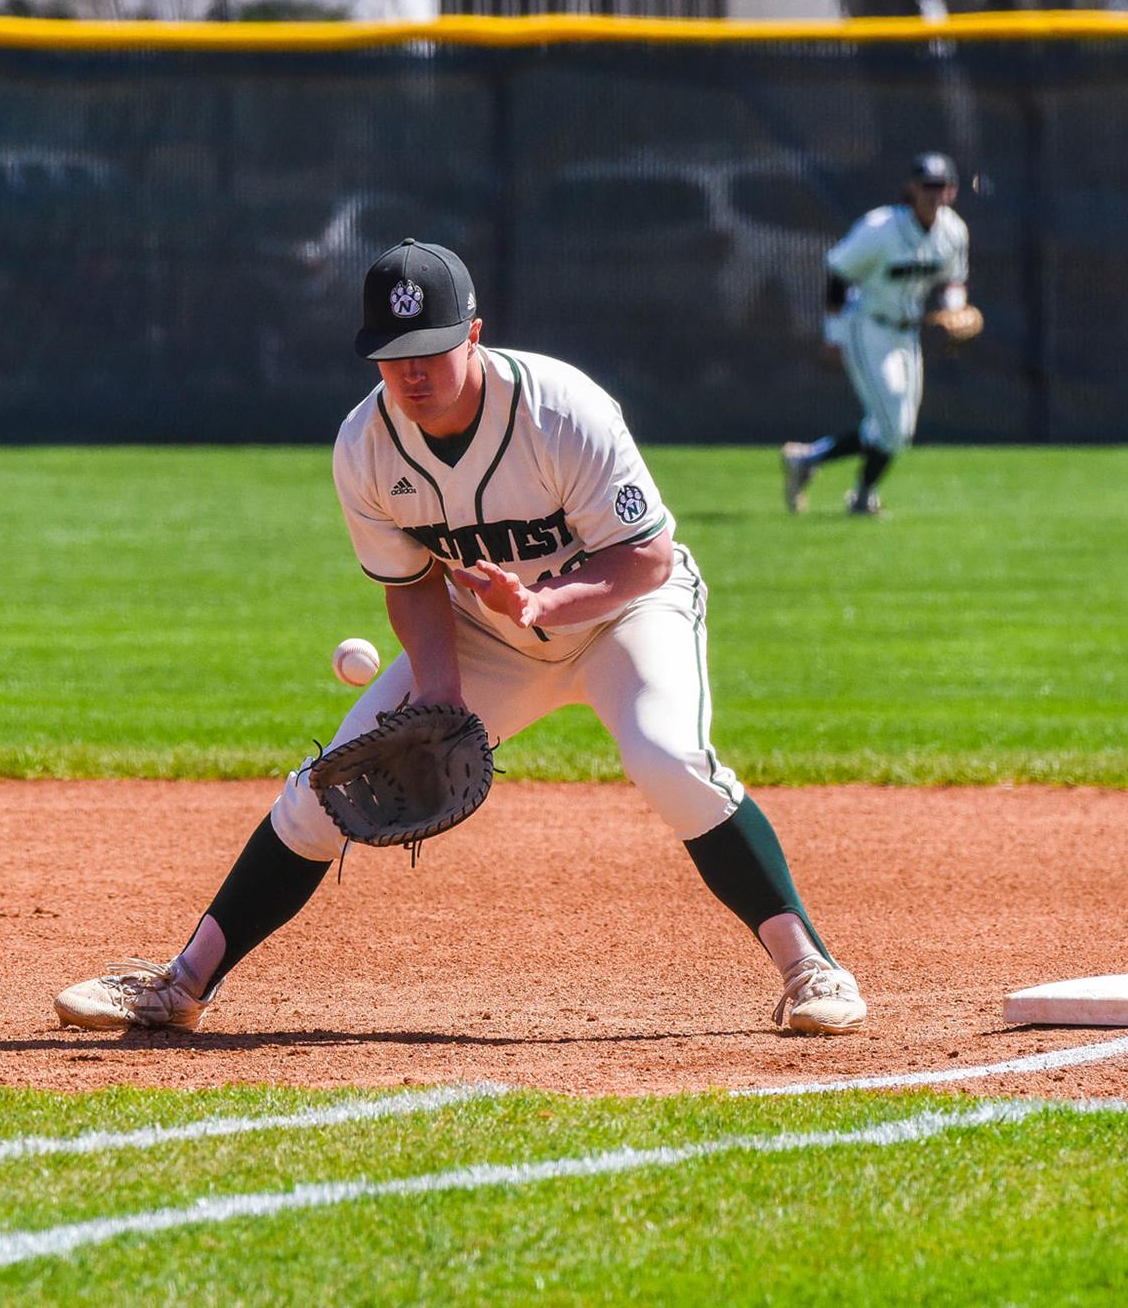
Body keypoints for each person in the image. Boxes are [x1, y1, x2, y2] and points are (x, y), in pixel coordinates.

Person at [55, 238, 867, 1037]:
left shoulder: (560, 407)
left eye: (430, 349)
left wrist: (549, 603)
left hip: (624, 615)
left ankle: (811, 969)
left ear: (472, 334)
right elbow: (410, 585)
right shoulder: (366, 447)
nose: (411, 372)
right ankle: (181, 983)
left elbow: (647, 558)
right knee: (323, 790)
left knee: (666, 756)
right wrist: (440, 690)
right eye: (391, 352)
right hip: (487, 635)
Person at [781, 151, 976, 517]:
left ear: (952, 191)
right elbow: (838, 272)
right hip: (867, 325)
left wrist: (954, 308)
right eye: (927, 186)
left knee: (897, 431)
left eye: (941, 186)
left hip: (906, 333)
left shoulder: (953, 231)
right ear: (911, 189)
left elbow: (953, 278)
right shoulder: (881, 228)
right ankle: (859, 495)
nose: (934, 194)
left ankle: (809, 461)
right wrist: (834, 334)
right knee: (891, 426)